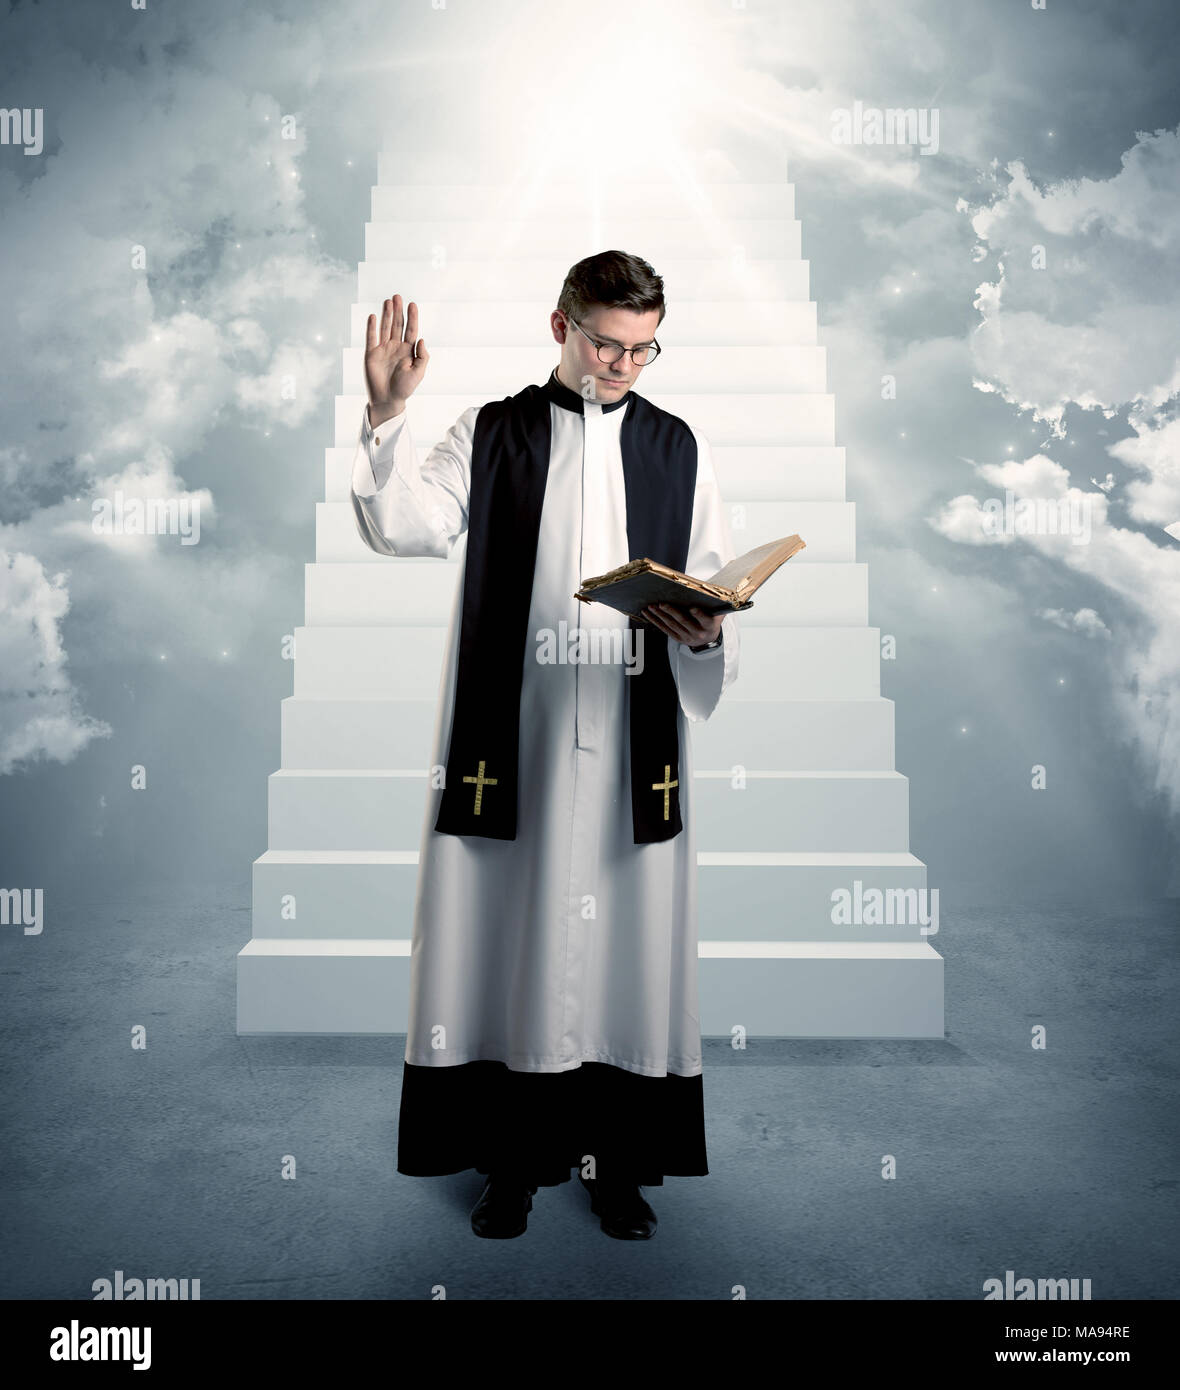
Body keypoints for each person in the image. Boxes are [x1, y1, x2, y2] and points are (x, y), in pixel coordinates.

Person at [350, 250, 740, 1239]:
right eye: (606, 344)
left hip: (626, 750)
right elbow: (405, 528)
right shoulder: (490, 432)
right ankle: (512, 1163)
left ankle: (617, 1166)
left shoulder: (678, 448)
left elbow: (706, 581)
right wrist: (386, 417)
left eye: (642, 351)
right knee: (504, 947)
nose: (621, 366)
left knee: (626, 954)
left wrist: (708, 629)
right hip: (513, 741)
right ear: (558, 325)